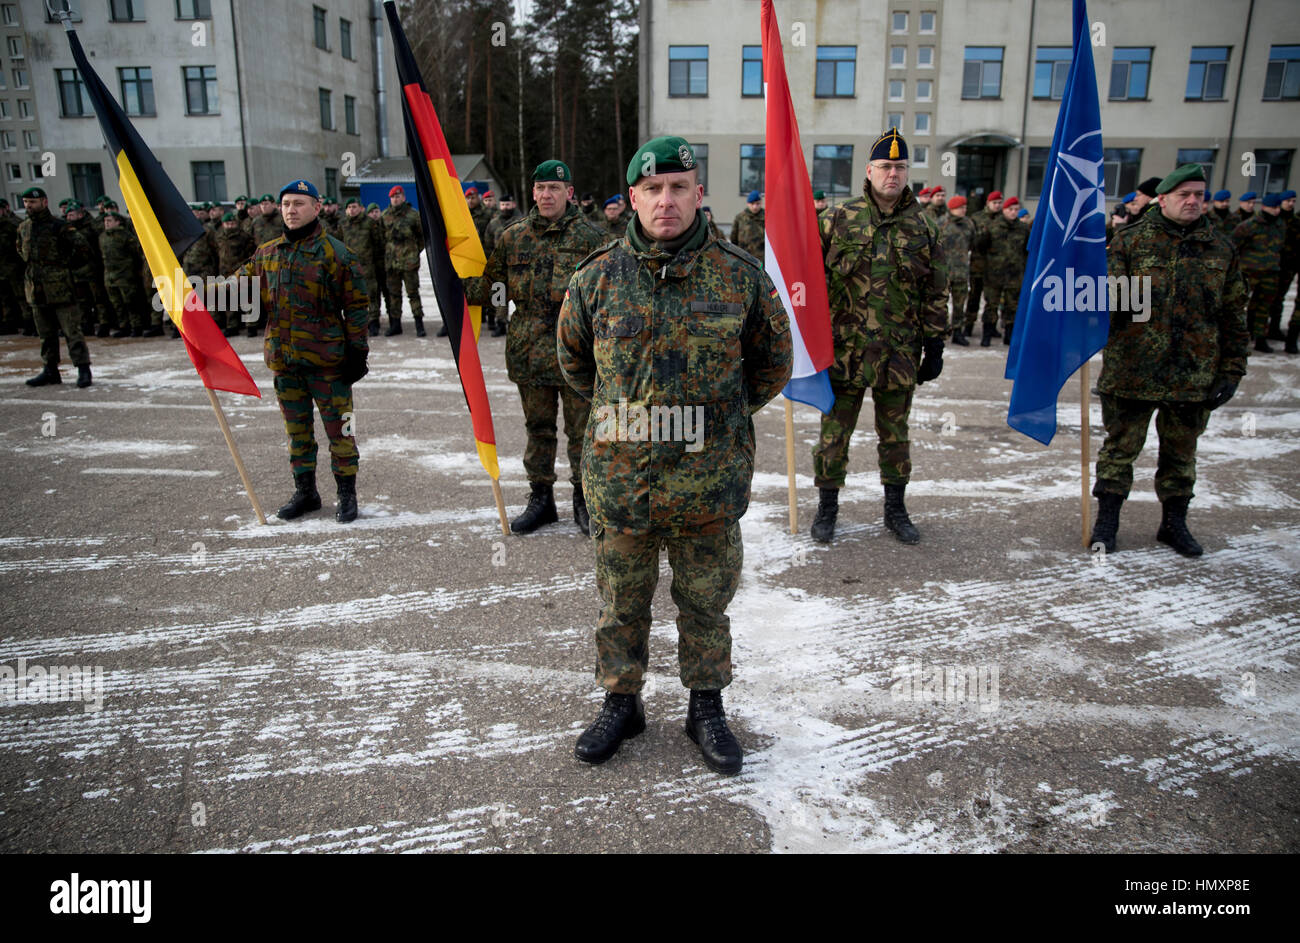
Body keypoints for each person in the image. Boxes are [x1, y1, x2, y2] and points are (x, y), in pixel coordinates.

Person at [557, 135, 792, 774]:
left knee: (706, 600)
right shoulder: (597, 277)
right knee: (620, 601)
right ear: (633, 197)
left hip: (707, 484)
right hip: (621, 480)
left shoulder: (741, 277)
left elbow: (771, 368)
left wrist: (709, 426)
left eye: (679, 188)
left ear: (697, 193)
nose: (667, 201)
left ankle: (706, 706)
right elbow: (576, 364)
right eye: (653, 190)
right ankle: (621, 702)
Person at [1090, 164, 1249, 557]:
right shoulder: (1130, 242)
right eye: (1184, 195)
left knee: (1181, 455)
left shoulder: (1221, 248)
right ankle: (1107, 520)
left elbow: (1234, 315)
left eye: (1200, 194)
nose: (1194, 201)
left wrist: (1232, 369)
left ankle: (1173, 523)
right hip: (1133, 370)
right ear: (1162, 199)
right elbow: (1110, 306)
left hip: (1193, 375)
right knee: (1118, 451)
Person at [810, 130, 947, 545]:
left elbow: (936, 291)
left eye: (900, 167)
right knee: (834, 435)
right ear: (868, 172)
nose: (893, 174)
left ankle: (896, 510)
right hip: (843, 353)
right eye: (885, 167)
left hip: (899, 353)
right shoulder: (837, 219)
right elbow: (807, 282)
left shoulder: (925, 226)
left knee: (896, 436)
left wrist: (936, 344)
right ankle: (827, 508)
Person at [465, 160, 606, 534]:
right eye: (541, 188)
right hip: (529, 354)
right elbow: (497, 290)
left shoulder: (592, 240)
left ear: (569, 194)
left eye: (554, 189)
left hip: (577, 355)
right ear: (533, 193)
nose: (546, 195)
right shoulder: (513, 238)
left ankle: (583, 501)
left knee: (582, 433)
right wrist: (459, 287)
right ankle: (540, 499)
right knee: (537, 429)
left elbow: (608, 298)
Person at [236, 179, 370, 523]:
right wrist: (188, 293)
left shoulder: (337, 254)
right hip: (286, 363)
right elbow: (236, 287)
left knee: (342, 431)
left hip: (330, 365)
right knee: (297, 435)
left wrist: (358, 352)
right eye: (286, 205)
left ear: (316, 206)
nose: (291, 211)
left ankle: (346, 494)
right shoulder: (267, 254)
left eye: (298, 203)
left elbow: (356, 306)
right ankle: (306, 493)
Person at [18, 187, 94, 387]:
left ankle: (83, 369)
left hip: (61, 290)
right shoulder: (24, 228)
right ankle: (50, 370)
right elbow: (20, 251)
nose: (28, 206)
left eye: (32, 202)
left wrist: (64, 267)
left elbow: (83, 249)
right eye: (25, 202)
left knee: (72, 331)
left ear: (44, 202)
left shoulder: (59, 227)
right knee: (46, 334)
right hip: (36, 290)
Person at [1232, 192, 1286, 353]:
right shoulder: (1249, 225)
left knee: (1264, 307)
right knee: (1239, 306)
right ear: (1263, 207)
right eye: (1273, 207)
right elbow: (1233, 247)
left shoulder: (1280, 225)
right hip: (1249, 272)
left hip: (1271, 272)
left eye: (1278, 207)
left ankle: (1260, 337)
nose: (1276, 210)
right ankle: (1237, 337)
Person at [981, 196, 1030, 346]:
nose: (1014, 212)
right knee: (991, 305)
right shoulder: (993, 226)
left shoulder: (1023, 229)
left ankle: (1009, 336)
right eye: (1011, 209)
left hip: (1014, 274)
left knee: (1012, 306)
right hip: (994, 273)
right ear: (1004, 210)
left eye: (1016, 210)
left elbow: (1026, 251)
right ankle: (987, 335)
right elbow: (982, 247)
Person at [382, 185, 425, 336]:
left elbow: (422, 237)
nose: (395, 199)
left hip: (409, 262)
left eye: (398, 196)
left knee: (413, 293)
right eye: (393, 197)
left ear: (404, 197)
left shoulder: (413, 215)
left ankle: (419, 325)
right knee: (394, 295)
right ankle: (396, 325)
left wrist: (413, 251)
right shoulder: (385, 215)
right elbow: (382, 238)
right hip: (392, 263)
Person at [339, 198, 384, 336]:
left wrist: (376, 263)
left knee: (371, 294)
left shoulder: (369, 223)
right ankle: (356, 323)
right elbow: (339, 244)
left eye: (354, 206)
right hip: (349, 267)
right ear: (346, 210)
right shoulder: (343, 224)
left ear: (360, 208)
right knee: (351, 296)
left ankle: (374, 322)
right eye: (349, 207)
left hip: (367, 266)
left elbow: (378, 243)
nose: (352, 210)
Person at [99, 212, 147, 337]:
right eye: (105, 221)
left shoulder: (126, 236)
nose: (107, 223)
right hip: (110, 276)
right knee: (117, 304)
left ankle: (136, 326)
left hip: (125, 275)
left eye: (109, 220)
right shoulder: (103, 237)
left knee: (130, 302)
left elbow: (137, 254)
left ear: (117, 222)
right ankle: (123, 326)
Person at [483, 193, 523, 337]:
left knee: (522, 295)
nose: (505, 207)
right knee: (499, 295)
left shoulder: (522, 221)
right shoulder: (493, 223)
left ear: (513, 205)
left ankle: (522, 325)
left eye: (508, 204)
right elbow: (488, 243)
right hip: (500, 265)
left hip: (519, 265)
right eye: (503, 205)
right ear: (499, 206)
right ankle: (500, 324)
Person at [213, 212, 257, 336]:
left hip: (240, 270)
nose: (231, 226)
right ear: (223, 224)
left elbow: (250, 254)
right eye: (228, 223)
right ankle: (232, 326)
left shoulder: (244, 237)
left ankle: (251, 326)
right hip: (225, 271)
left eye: (233, 223)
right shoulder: (218, 236)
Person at [939, 195, 974, 345]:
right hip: (944, 271)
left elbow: (972, 243)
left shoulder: (969, 224)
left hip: (961, 271)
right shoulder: (942, 223)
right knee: (941, 304)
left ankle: (958, 332)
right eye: (960, 207)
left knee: (960, 304)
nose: (963, 210)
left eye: (965, 207)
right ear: (952, 209)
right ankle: (940, 332)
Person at [966, 190, 1002, 331]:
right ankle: (968, 324)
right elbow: (971, 241)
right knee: (974, 296)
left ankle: (991, 326)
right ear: (988, 203)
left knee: (992, 299)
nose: (997, 206)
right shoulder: (977, 218)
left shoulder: (1002, 220)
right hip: (978, 265)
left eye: (1000, 203)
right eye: (995, 203)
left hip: (995, 267)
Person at [731, 190, 765, 258]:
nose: (755, 207)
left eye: (757, 204)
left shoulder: (766, 217)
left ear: (761, 203)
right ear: (748, 204)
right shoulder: (740, 218)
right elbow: (733, 238)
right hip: (745, 257)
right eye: (752, 204)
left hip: (762, 257)